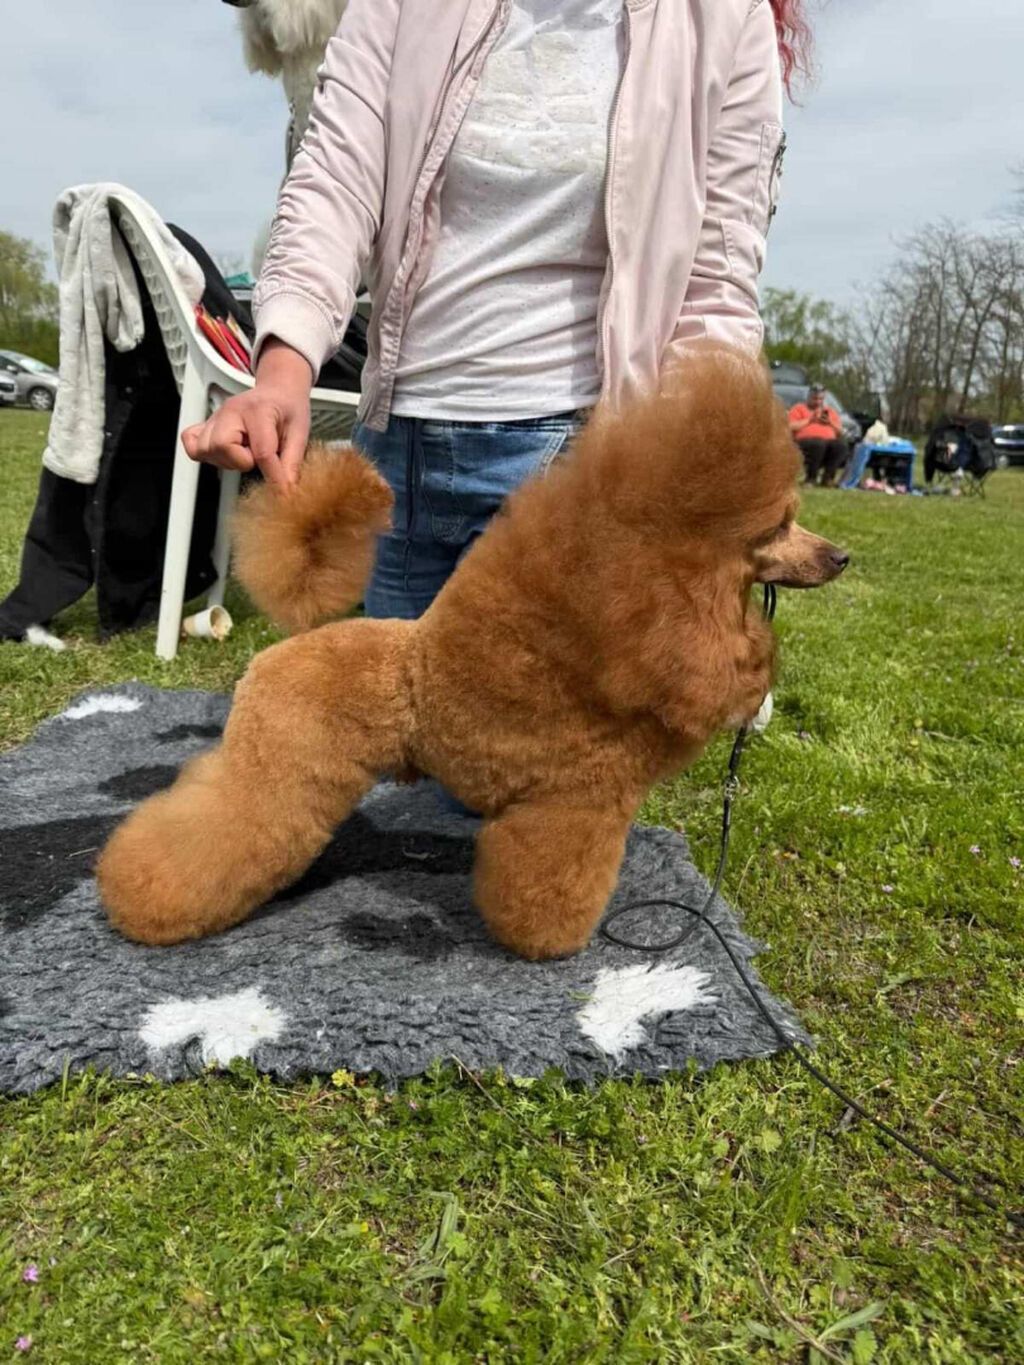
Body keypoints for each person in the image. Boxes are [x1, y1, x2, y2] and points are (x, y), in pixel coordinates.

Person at [184, 0, 810, 620]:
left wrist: (692, 470)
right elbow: (334, 179)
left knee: (539, 721)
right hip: (396, 454)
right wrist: (282, 374)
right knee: (400, 718)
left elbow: (717, 280)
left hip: (574, 467)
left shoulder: (723, 18)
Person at [788, 385, 847, 487]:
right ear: (809, 397)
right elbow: (791, 426)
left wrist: (830, 422)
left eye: (821, 399)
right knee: (818, 444)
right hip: (805, 442)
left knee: (840, 446)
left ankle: (828, 478)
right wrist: (810, 420)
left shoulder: (830, 412)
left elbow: (841, 432)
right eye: (815, 398)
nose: (818, 402)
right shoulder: (799, 409)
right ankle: (811, 478)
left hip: (828, 442)